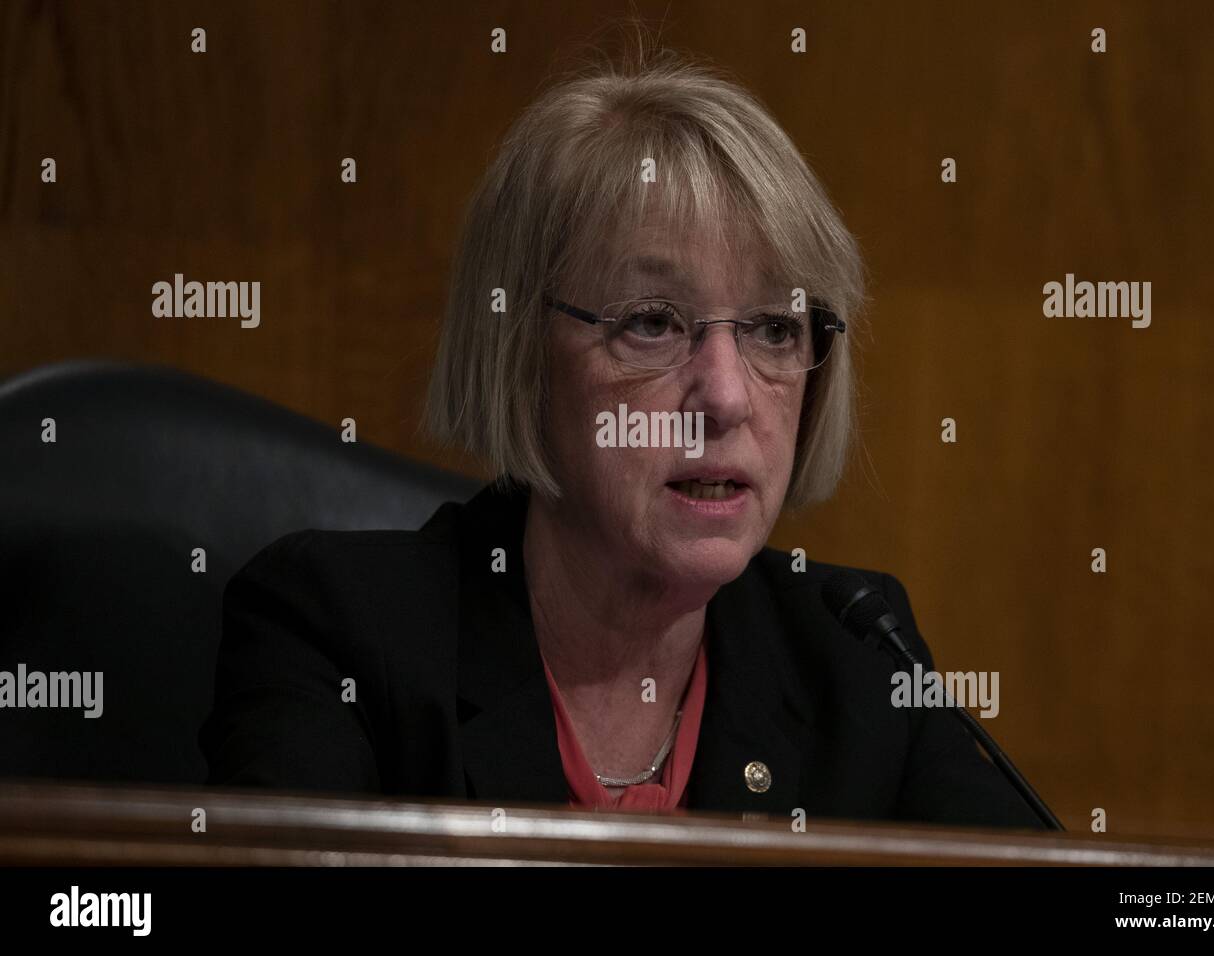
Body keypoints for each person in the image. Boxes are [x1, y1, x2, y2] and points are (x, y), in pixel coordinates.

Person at [199, 37, 1045, 829]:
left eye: (774, 329)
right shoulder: (336, 631)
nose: (724, 396)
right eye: (651, 322)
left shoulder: (857, 657)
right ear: (521, 355)